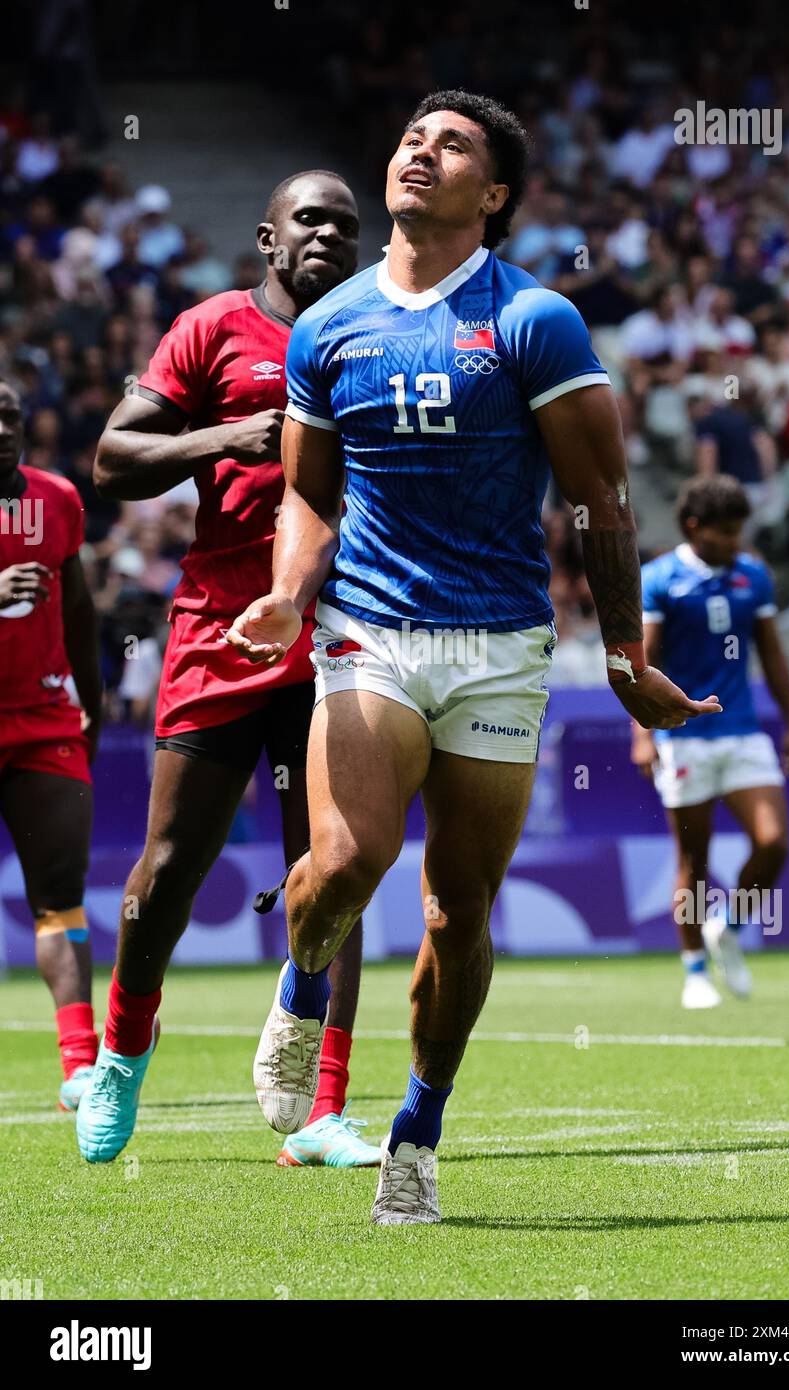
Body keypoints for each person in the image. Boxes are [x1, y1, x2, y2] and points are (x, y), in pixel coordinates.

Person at [226, 91, 720, 1224]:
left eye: (450, 145)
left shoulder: (534, 320)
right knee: (348, 860)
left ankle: (418, 1127)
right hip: (370, 633)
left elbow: (601, 498)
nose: (418, 150)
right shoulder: (328, 326)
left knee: (457, 912)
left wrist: (624, 650)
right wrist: (288, 593)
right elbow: (309, 493)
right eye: (410, 134)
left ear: (491, 194)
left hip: (498, 645)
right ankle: (302, 990)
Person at [76, 172, 379, 1170]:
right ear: (267, 237)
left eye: (346, 221)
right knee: (166, 870)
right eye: (311, 219)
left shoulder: (382, 332)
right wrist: (227, 436)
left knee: (337, 868)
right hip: (221, 627)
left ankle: (321, 1103)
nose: (330, 232)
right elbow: (112, 460)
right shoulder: (210, 328)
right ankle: (122, 1050)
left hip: (341, 629)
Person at [631, 475, 789, 1009]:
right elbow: (642, 665)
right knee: (694, 861)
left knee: (774, 843)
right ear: (693, 527)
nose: (735, 541)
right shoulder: (661, 579)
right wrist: (643, 732)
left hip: (743, 732)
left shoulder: (754, 575)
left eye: (739, 531)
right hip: (684, 738)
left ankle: (725, 927)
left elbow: (771, 655)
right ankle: (695, 972)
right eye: (725, 532)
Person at [0, 378, 102, 1109]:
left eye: (8, 414)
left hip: (44, 722)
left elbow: (81, 613)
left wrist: (90, 708)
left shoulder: (58, 499)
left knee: (60, 901)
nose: (3, 427)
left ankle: (81, 1066)